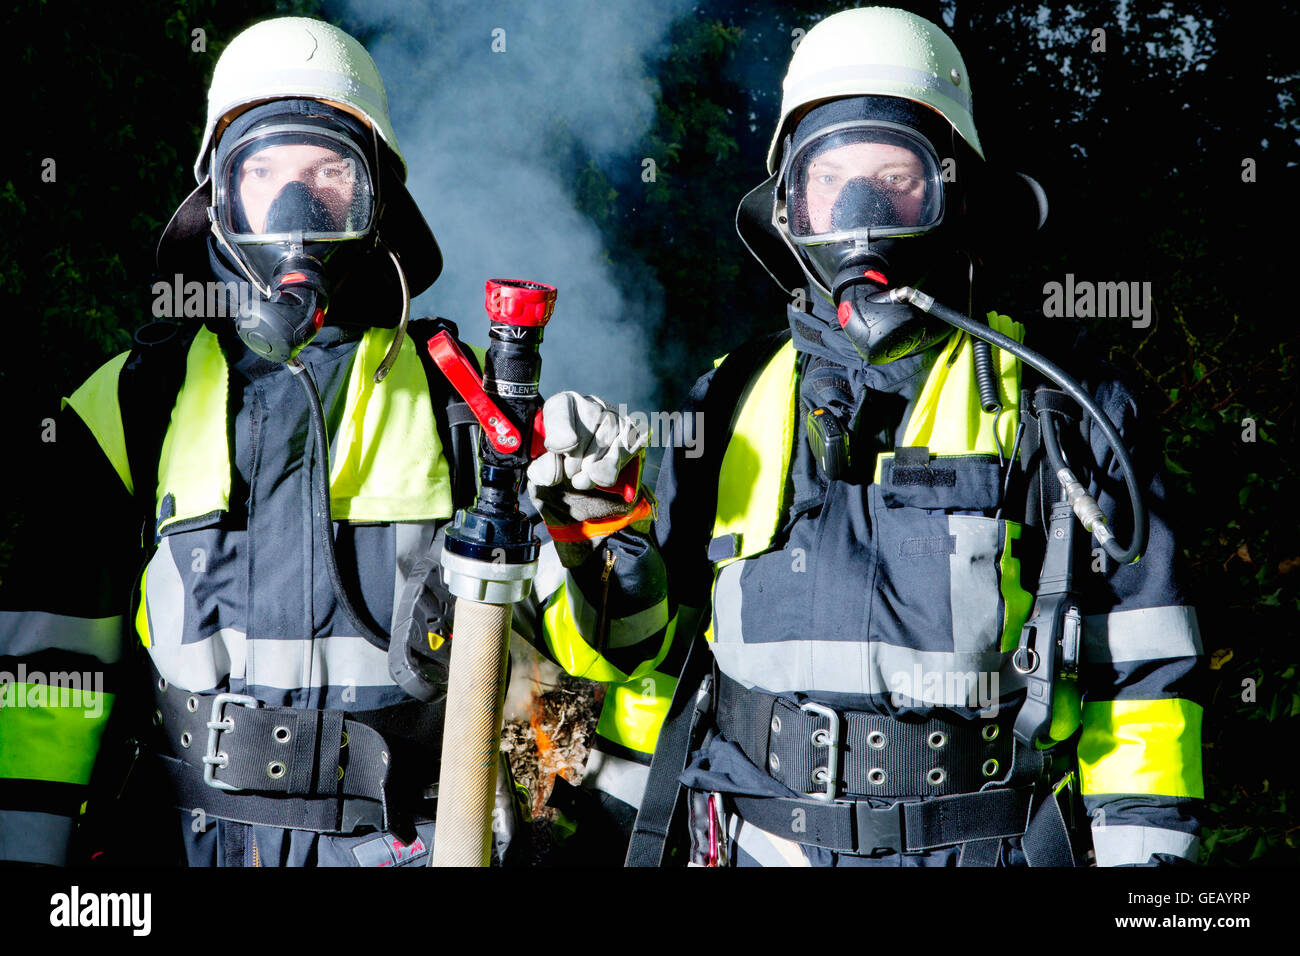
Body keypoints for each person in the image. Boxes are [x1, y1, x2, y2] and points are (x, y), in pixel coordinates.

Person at [530, 6, 1204, 866]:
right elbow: (639, 653)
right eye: (831, 180)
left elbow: (1145, 686)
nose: (860, 213)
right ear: (790, 208)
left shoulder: (1062, 408)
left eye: (896, 177)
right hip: (751, 846)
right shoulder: (728, 397)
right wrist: (600, 534)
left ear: (952, 193)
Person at [0, 16, 552, 867]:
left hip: (401, 845)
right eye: (263, 172)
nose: (298, 208)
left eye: (330, 172)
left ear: (378, 199)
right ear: (217, 204)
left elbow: (566, 662)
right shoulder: (130, 405)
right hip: (186, 847)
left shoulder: (469, 400)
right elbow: (46, 689)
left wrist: (603, 523)